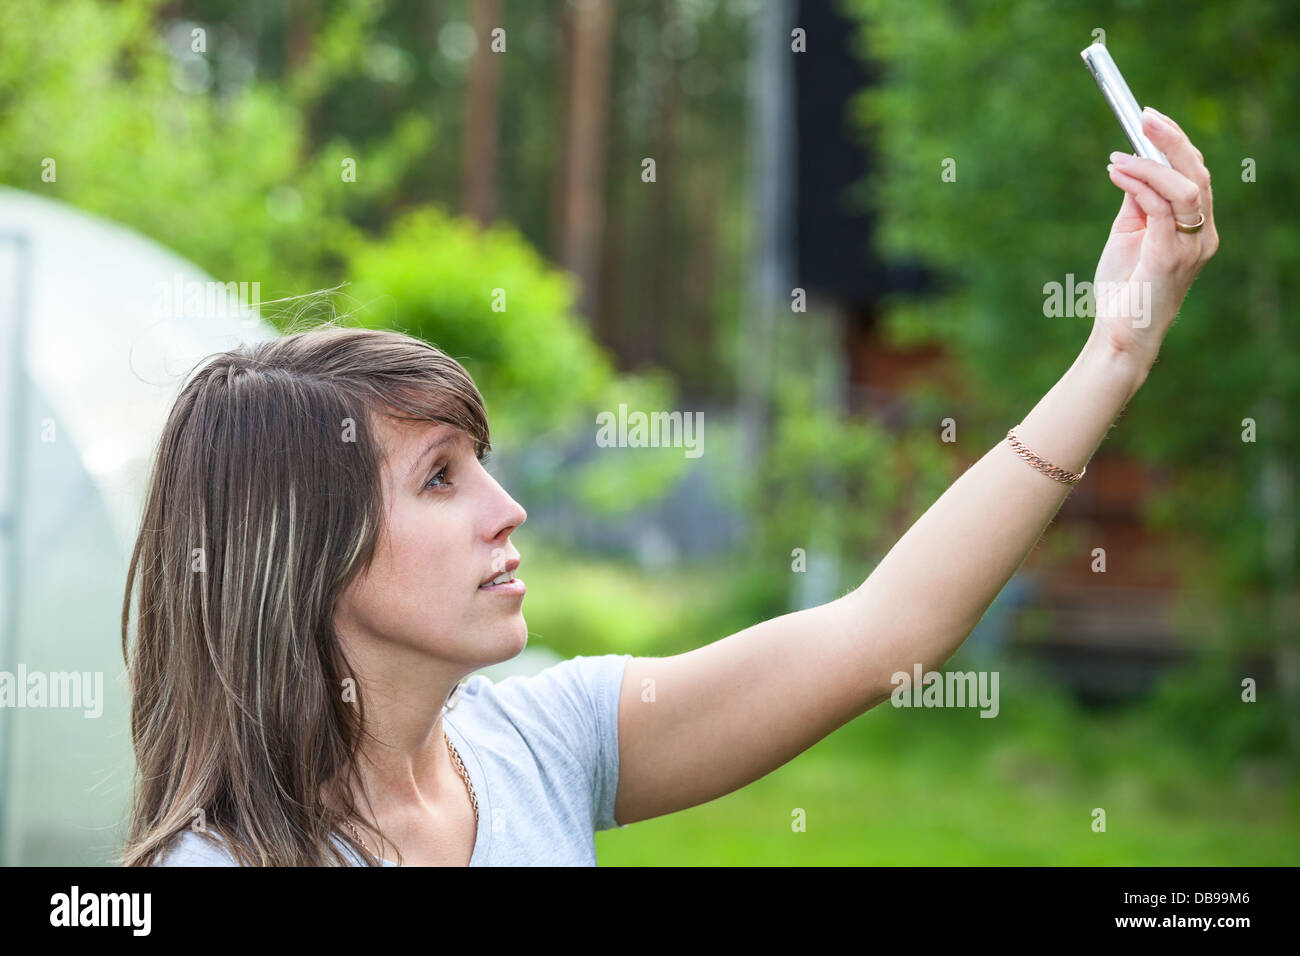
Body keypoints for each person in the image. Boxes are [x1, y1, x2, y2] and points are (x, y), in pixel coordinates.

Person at [124, 106, 1216, 866]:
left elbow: (886, 630)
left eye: (484, 464)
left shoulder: (541, 742)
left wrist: (1112, 353)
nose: (508, 510)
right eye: (439, 479)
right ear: (303, 554)